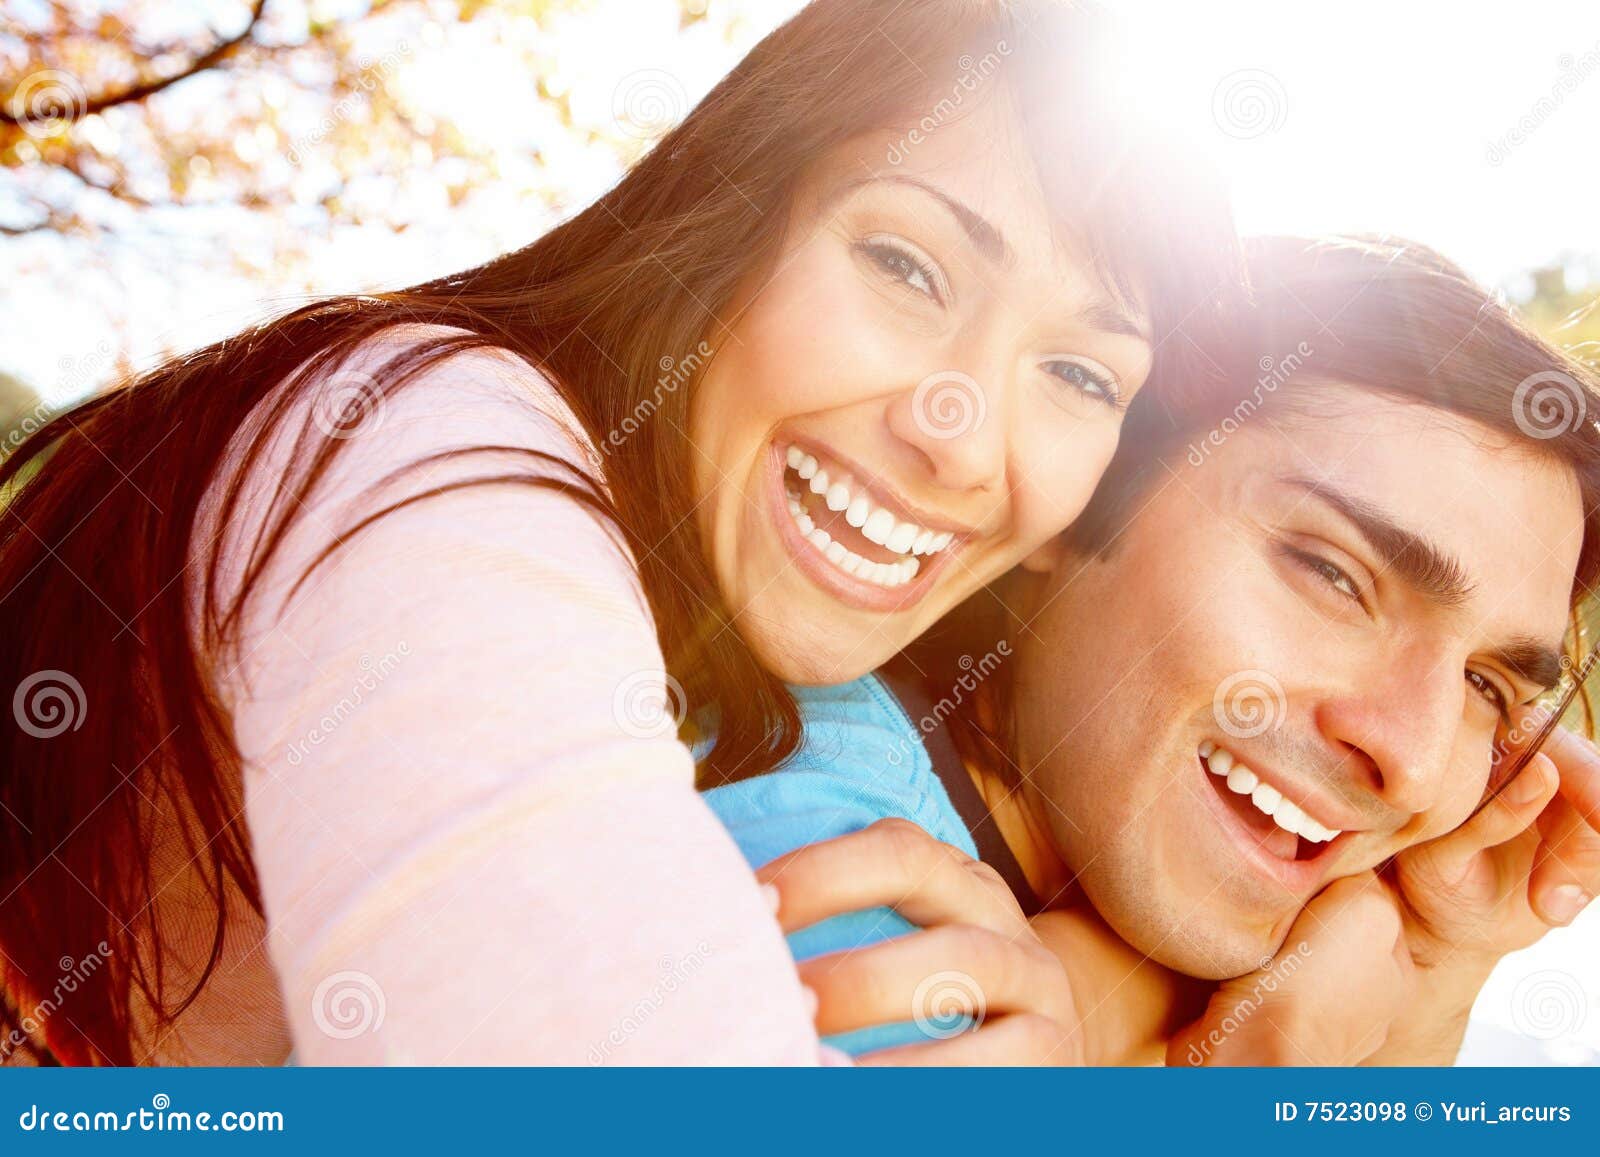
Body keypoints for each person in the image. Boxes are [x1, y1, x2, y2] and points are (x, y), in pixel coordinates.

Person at [0, 1, 1239, 1064]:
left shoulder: (771, 697)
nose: (963, 439)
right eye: (904, 266)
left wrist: (1129, 984)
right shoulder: (438, 441)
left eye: (1079, 375)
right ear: (725, 221)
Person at [706, 235, 1600, 1063]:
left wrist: (1438, 969)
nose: (1412, 763)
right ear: (1088, 489)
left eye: (1486, 685)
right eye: (1334, 575)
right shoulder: (846, 901)